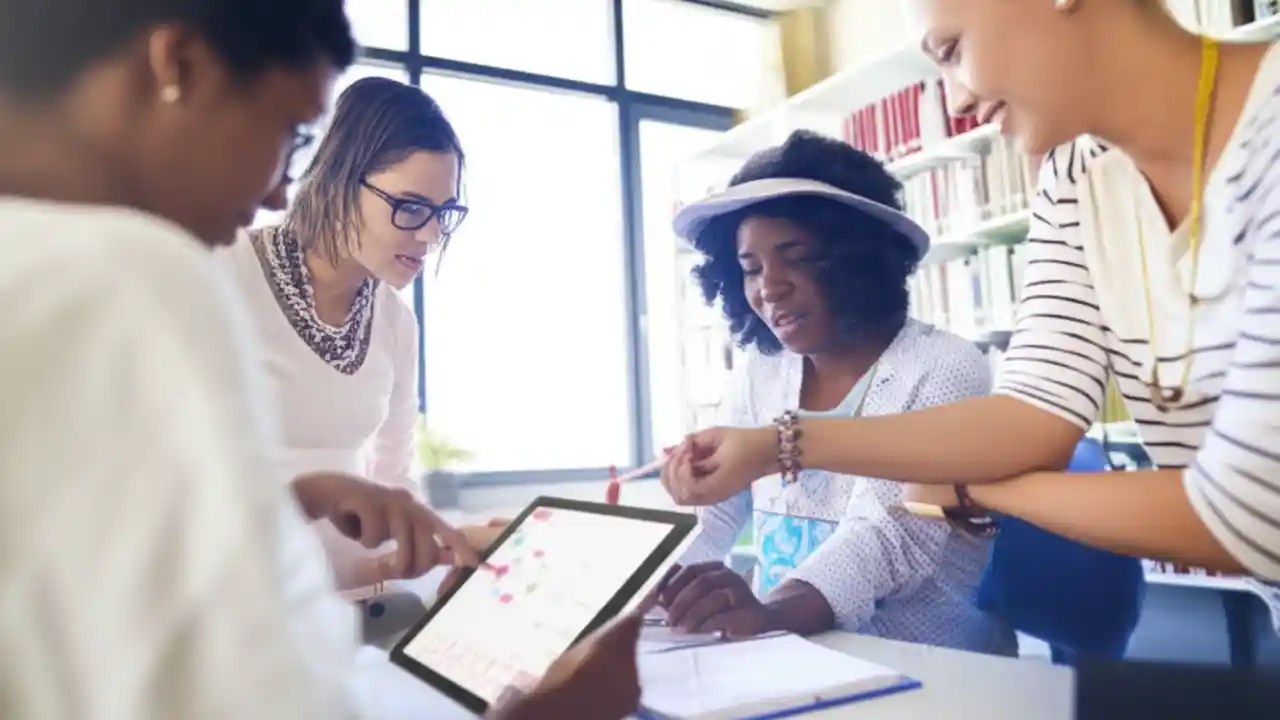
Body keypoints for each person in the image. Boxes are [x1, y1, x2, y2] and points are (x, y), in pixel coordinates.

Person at [0, 1, 640, 718]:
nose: (278, 187)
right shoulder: (153, 270)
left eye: (442, 215)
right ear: (177, 68)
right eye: (288, 131)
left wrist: (298, 500)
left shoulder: (55, 265)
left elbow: (99, 549)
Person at [660, 0, 1280, 600]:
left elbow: (1253, 513)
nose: (955, 100)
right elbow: (1032, 416)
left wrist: (981, 490)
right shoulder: (1074, 175)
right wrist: (776, 445)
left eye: (952, 51)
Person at [654, 131, 1014, 654]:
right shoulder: (763, 370)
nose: (769, 287)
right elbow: (714, 520)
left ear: (857, 259)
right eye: (750, 269)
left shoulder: (945, 367)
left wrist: (770, 612)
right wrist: (650, 587)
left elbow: (892, 538)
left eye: (795, 258)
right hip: (792, 654)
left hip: (926, 668)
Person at [220, 76, 468, 591]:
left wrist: (436, 548)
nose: (429, 235)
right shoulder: (227, 271)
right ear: (340, 178)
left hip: (352, 605)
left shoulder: (396, 322)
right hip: (235, 606)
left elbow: (393, 481)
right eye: (411, 207)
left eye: (443, 214)